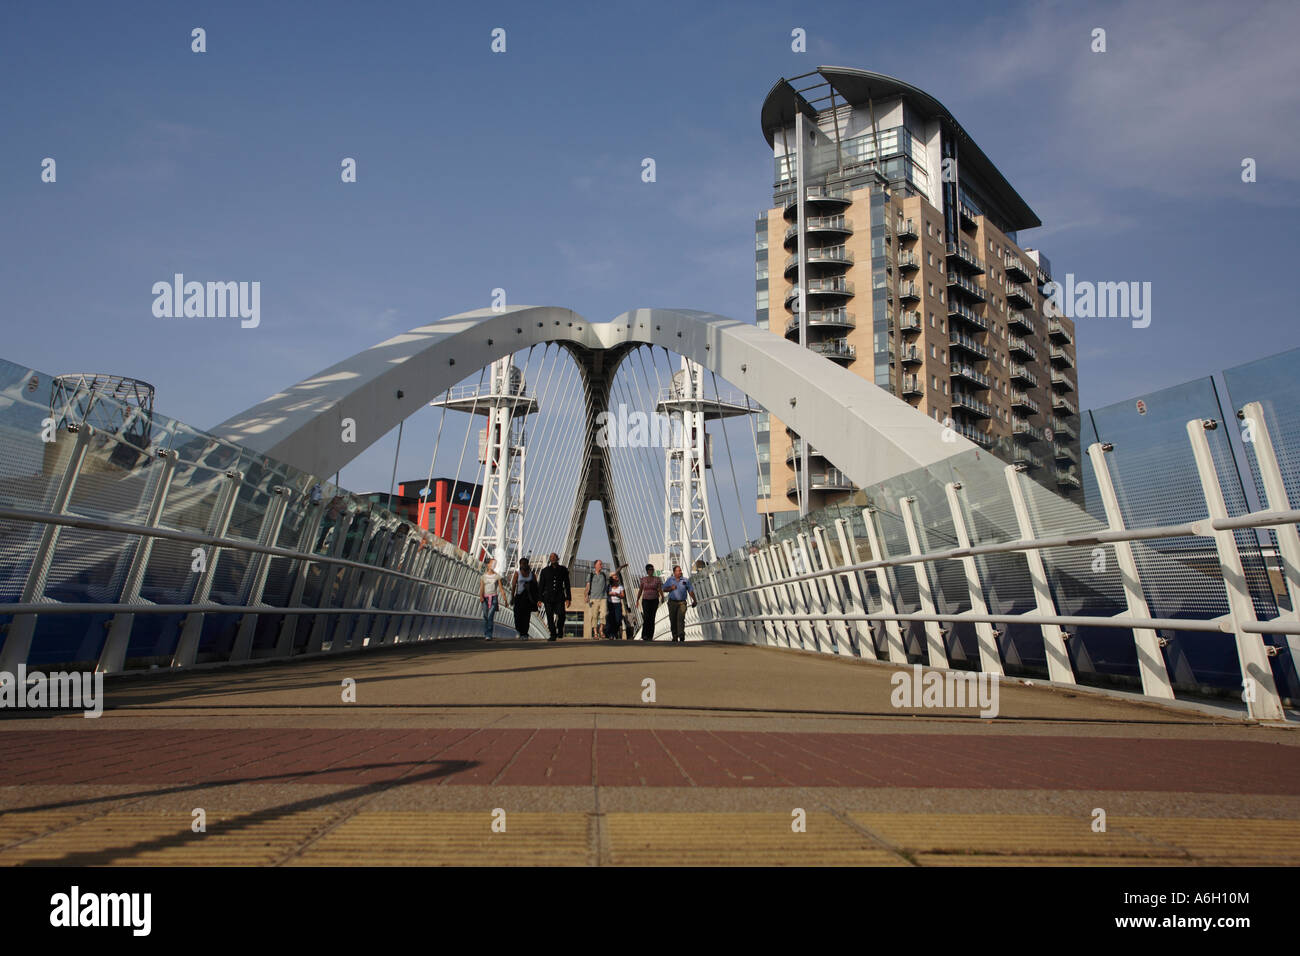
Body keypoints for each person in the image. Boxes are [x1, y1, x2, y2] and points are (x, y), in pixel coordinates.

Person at [538, 552, 571, 641]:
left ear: (557, 558)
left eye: (554, 557)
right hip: (548, 597)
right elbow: (541, 585)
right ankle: (553, 634)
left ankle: (560, 629)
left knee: (562, 615)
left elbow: (567, 584)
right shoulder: (545, 571)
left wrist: (568, 598)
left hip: (559, 597)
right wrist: (539, 599)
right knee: (549, 616)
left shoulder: (563, 569)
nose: (552, 558)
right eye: (551, 557)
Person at [662, 564, 697, 643]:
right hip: (672, 603)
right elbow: (663, 589)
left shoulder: (685, 580)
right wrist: (671, 588)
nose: (680, 572)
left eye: (680, 570)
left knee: (681, 619)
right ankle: (674, 636)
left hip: (682, 603)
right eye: (678, 571)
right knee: (673, 619)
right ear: (674, 572)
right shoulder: (670, 580)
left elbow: (690, 591)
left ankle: (681, 636)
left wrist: (694, 600)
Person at [510, 557, 542, 639]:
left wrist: (538, 598)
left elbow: (536, 586)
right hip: (519, 597)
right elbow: (513, 585)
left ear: (527, 564)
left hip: (528, 598)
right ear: (520, 564)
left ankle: (524, 633)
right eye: (522, 563)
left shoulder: (532, 574)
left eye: (525, 563)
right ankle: (519, 630)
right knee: (517, 615)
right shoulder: (517, 574)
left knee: (526, 616)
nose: (523, 565)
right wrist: (512, 597)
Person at [636, 564, 662, 641]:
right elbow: (640, 590)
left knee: (652, 618)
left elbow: (659, 589)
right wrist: (637, 600)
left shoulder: (657, 579)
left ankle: (650, 635)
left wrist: (662, 597)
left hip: (654, 600)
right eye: (650, 569)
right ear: (647, 571)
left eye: (652, 569)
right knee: (646, 617)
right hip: (646, 600)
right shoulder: (643, 579)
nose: (651, 571)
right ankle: (644, 635)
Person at [585, 559, 608, 641]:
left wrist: (621, 567)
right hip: (593, 598)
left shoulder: (604, 575)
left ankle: (601, 630)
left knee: (603, 614)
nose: (601, 566)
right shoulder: (591, 575)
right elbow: (587, 586)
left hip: (603, 598)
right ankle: (595, 633)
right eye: (600, 564)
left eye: (601, 564)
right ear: (595, 565)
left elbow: (614, 573)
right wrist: (586, 596)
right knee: (594, 616)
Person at [479, 557, 502, 640]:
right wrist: (481, 596)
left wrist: (505, 600)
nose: (493, 565)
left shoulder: (497, 576)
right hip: (484, 598)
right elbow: (482, 587)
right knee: (485, 616)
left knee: (490, 616)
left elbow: (501, 589)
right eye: (492, 564)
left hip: (494, 598)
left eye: (494, 564)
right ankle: (486, 633)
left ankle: (489, 634)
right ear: (488, 565)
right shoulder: (483, 577)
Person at [604, 571, 625, 639]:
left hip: (618, 604)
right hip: (611, 604)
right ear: (612, 579)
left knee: (618, 619)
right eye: (615, 577)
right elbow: (606, 593)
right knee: (612, 619)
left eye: (617, 577)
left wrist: (617, 594)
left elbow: (622, 595)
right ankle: (611, 634)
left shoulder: (620, 586)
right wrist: (610, 594)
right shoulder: (609, 586)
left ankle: (614, 632)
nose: (616, 578)